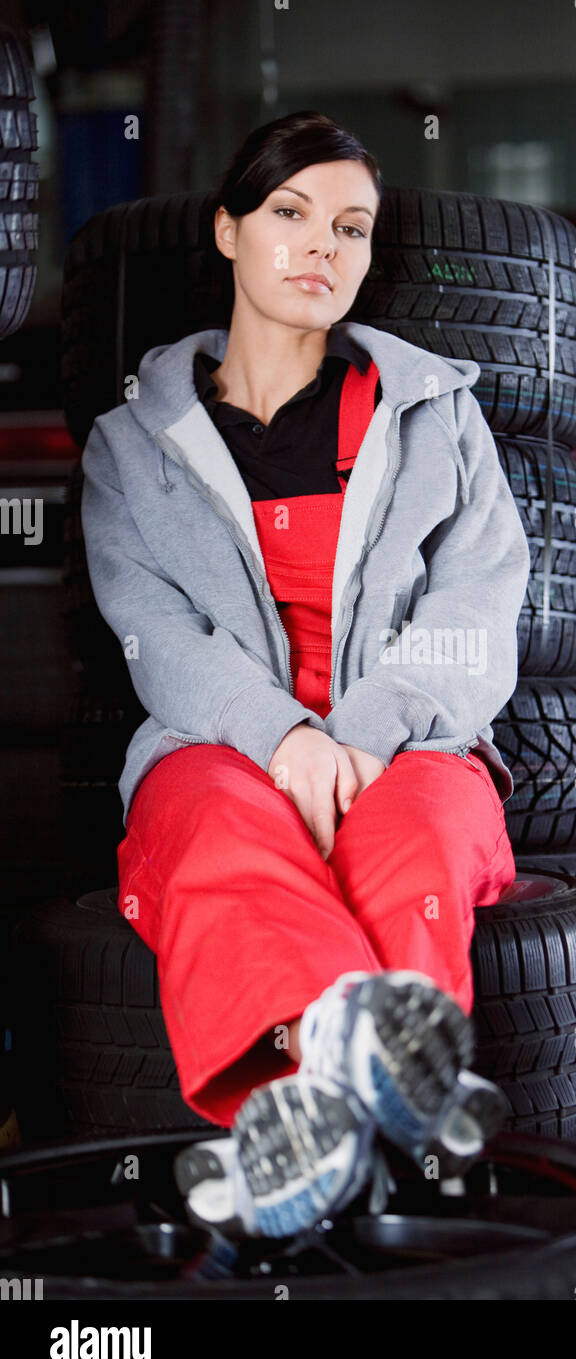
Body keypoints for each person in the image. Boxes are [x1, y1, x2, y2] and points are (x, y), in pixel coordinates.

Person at [80, 110, 531, 1239]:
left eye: (351, 228)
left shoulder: (438, 415)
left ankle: (297, 1132)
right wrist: (281, 738)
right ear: (229, 231)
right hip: (217, 744)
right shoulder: (131, 445)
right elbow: (156, 632)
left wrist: (366, 733)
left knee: (414, 839)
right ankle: (377, 1103)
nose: (320, 245)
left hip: (412, 742)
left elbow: (476, 613)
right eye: (288, 214)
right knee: (219, 834)